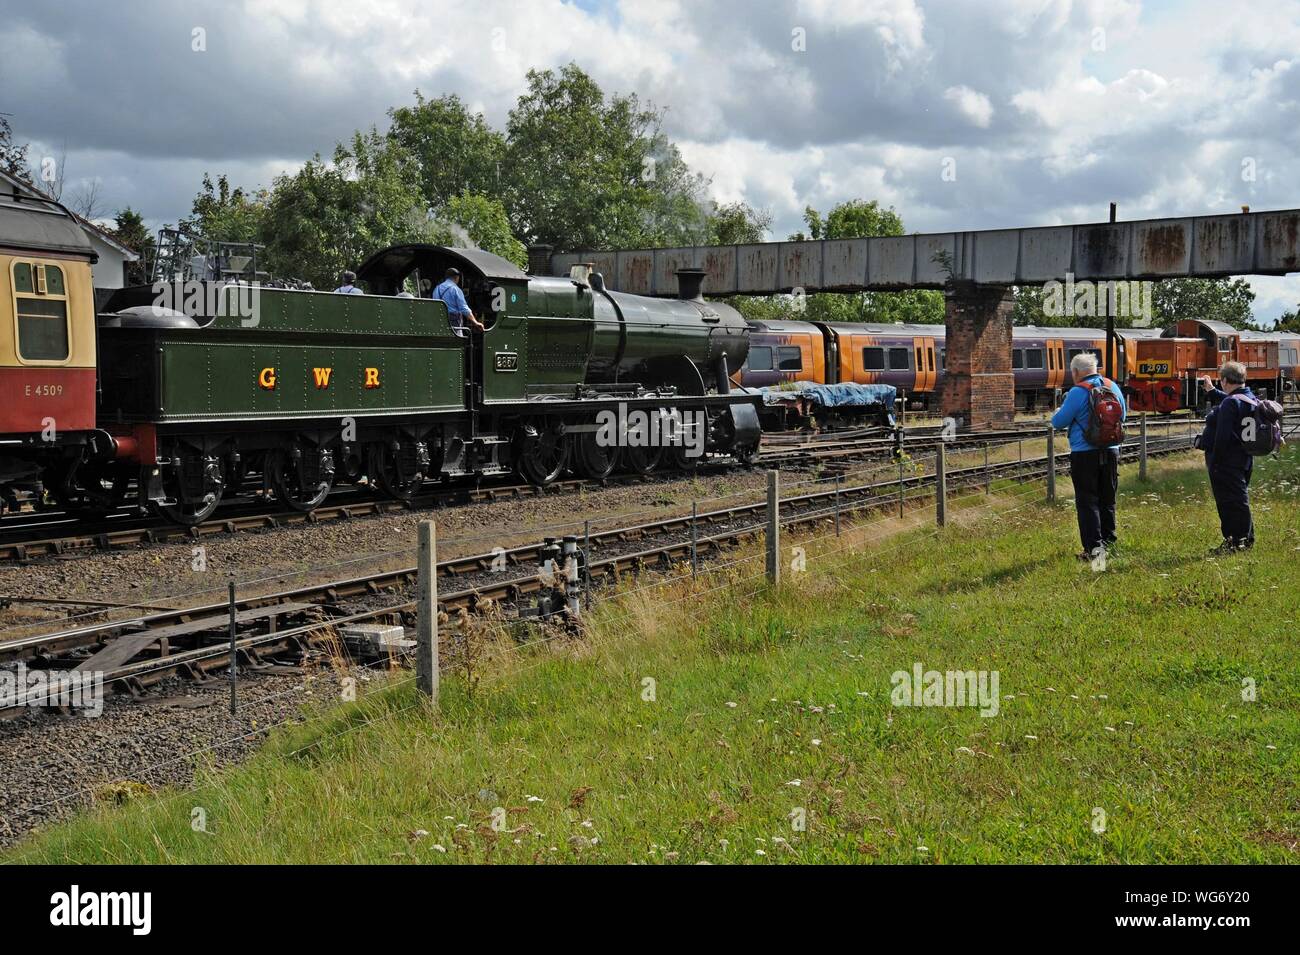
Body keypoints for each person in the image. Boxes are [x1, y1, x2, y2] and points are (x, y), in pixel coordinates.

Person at [1050, 352, 1127, 559]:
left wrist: (1057, 411)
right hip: (1111, 451)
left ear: (1075, 372)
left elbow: (1058, 422)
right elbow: (1123, 415)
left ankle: (1094, 551)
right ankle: (1109, 542)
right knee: (1107, 499)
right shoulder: (1112, 386)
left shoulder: (1077, 392)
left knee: (1088, 502)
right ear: (1094, 369)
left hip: (1085, 454)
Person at [1197, 361, 1256, 553]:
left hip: (1227, 461)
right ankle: (1245, 539)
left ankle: (1235, 541)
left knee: (1230, 502)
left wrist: (1215, 462)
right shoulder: (1249, 398)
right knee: (1239, 499)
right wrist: (1213, 391)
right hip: (1244, 458)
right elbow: (1233, 402)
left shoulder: (1231, 403)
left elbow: (1222, 436)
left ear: (1224, 380)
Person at [432, 267, 486, 337]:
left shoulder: (437, 289)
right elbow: (464, 308)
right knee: (457, 340)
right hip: (453, 322)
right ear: (456, 277)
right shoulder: (455, 289)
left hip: (439, 321)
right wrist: (475, 322)